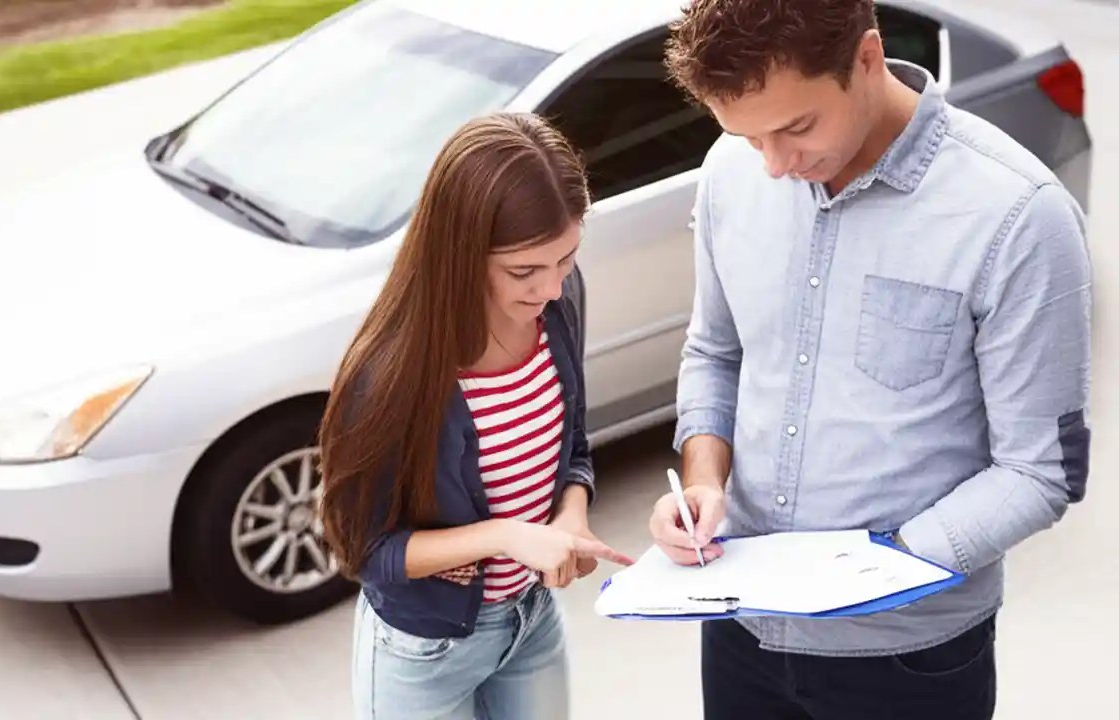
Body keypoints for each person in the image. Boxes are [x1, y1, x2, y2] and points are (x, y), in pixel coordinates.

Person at [647, 2, 1093, 719]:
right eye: (746, 134)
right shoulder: (732, 172)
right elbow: (715, 351)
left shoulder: (1018, 214)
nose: (774, 165)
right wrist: (703, 478)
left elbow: (1039, 470)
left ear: (867, 58)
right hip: (740, 628)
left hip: (909, 661)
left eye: (797, 127)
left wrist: (877, 569)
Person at [318, 112, 634, 720]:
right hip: (425, 654)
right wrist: (506, 536)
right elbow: (362, 550)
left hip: (531, 622)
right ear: (460, 254)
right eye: (523, 272)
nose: (549, 288)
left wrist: (569, 518)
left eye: (566, 259)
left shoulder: (561, 303)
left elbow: (574, 451)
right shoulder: (390, 375)